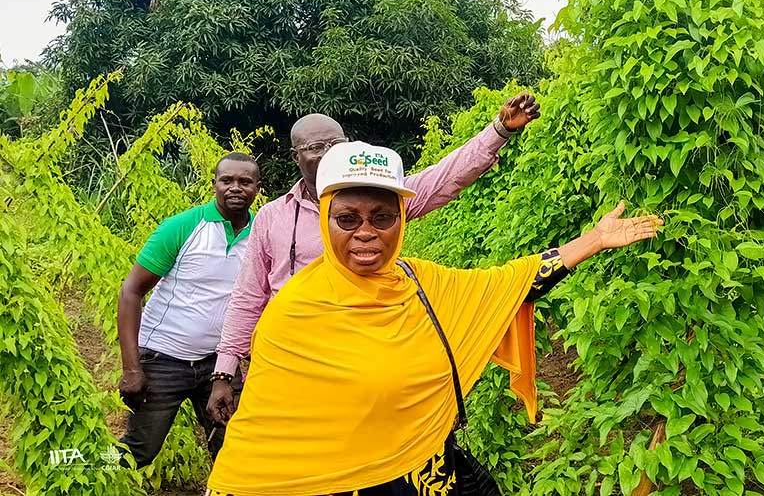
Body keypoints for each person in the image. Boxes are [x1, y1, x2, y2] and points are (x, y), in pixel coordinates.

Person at [204, 140, 663, 495]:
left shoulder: (420, 284)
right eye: (348, 219)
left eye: (382, 217)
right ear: (326, 220)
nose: (366, 232)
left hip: (428, 474)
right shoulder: (294, 313)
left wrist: (593, 240)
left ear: (401, 222)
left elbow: (511, 283)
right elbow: (263, 434)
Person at [207, 94, 542, 421]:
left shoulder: (383, 201)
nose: (326, 154)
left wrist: (499, 131)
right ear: (296, 156)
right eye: (314, 147)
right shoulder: (272, 217)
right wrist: (224, 372)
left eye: (334, 144)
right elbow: (249, 296)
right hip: (296, 357)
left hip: (368, 353)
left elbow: (445, 177)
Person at [116, 152, 260, 467]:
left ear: (258, 188)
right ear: (214, 185)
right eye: (227, 180)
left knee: (234, 446)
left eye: (245, 182)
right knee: (136, 452)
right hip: (163, 358)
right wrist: (131, 369)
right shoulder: (182, 227)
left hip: (220, 363)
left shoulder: (261, 236)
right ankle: (66, 465)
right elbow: (131, 291)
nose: (235, 188)